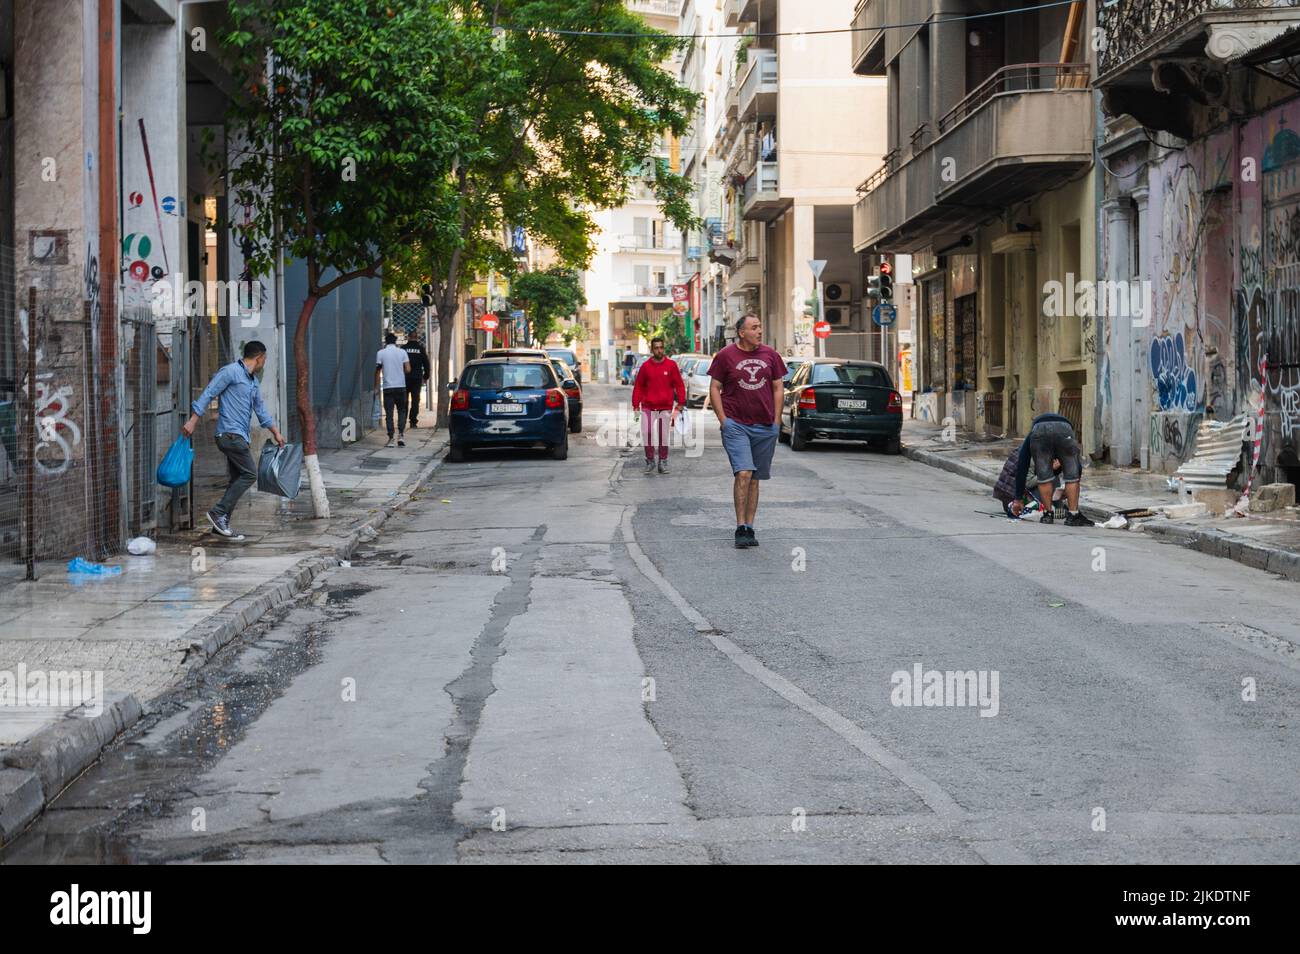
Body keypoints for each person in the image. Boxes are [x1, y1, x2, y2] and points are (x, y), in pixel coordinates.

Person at [181, 339, 285, 538]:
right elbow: (209, 393)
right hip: (229, 434)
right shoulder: (230, 372)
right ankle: (218, 512)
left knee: (237, 478)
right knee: (250, 474)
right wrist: (193, 420)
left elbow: (261, 411)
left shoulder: (253, 382)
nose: (265, 362)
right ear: (260, 357)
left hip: (239, 436)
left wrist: (276, 432)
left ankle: (220, 526)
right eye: (265, 359)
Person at [708, 314, 786, 549]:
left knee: (754, 479)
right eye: (754, 328)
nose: (760, 331)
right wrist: (724, 420)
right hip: (736, 425)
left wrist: (776, 421)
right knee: (743, 473)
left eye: (760, 326)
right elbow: (715, 387)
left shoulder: (770, 355)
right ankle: (740, 526)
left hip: (764, 427)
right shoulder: (725, 356)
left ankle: (750, 527)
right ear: (742, 333)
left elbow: (778, 387)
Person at [1012, 411, 1095, 526]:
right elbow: (1076, 467)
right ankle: (1073, 515)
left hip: (1039, 429)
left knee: (1043, 474)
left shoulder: (1032, 434)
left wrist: (1018, 498)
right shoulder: (1065, 432)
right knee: (1072, 474)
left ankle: (1047, 515)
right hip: (1064, 428)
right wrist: (1075, 479)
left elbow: (1022, 465)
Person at [632, 336, 686, 475]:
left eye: (661, 347)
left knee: (663, 436)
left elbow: (679, 385)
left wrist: (680, 403)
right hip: (648, 407)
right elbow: (638, 386)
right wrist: (635, 405)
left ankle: (663, 461)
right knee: (646, 432)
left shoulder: (671, 365)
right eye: (656, 348)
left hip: (665, 407)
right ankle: (650, 460)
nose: (659, 350)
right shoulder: (645, 367)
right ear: (652, 349)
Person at [376, 332, 412, 448]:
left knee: (389, 413)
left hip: (387, 388)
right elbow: (408, 369)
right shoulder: (402, 352)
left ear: (386, 341)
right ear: (395, 341)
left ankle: (391, 439)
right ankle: (401, 435)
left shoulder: (380, 353)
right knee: (402, 411)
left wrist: (375, 387)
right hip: (401, 387)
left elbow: (377, 371)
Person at [403, 329, 430, 429]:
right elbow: (426, 363)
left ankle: (403, 419)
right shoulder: (420, 349)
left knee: (404, 400)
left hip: (405, 378)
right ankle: (413, 421)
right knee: (415, 400)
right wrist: (426, 376)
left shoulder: (403, 348)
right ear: (417, 338)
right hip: (416, 378)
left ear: (408, 337)